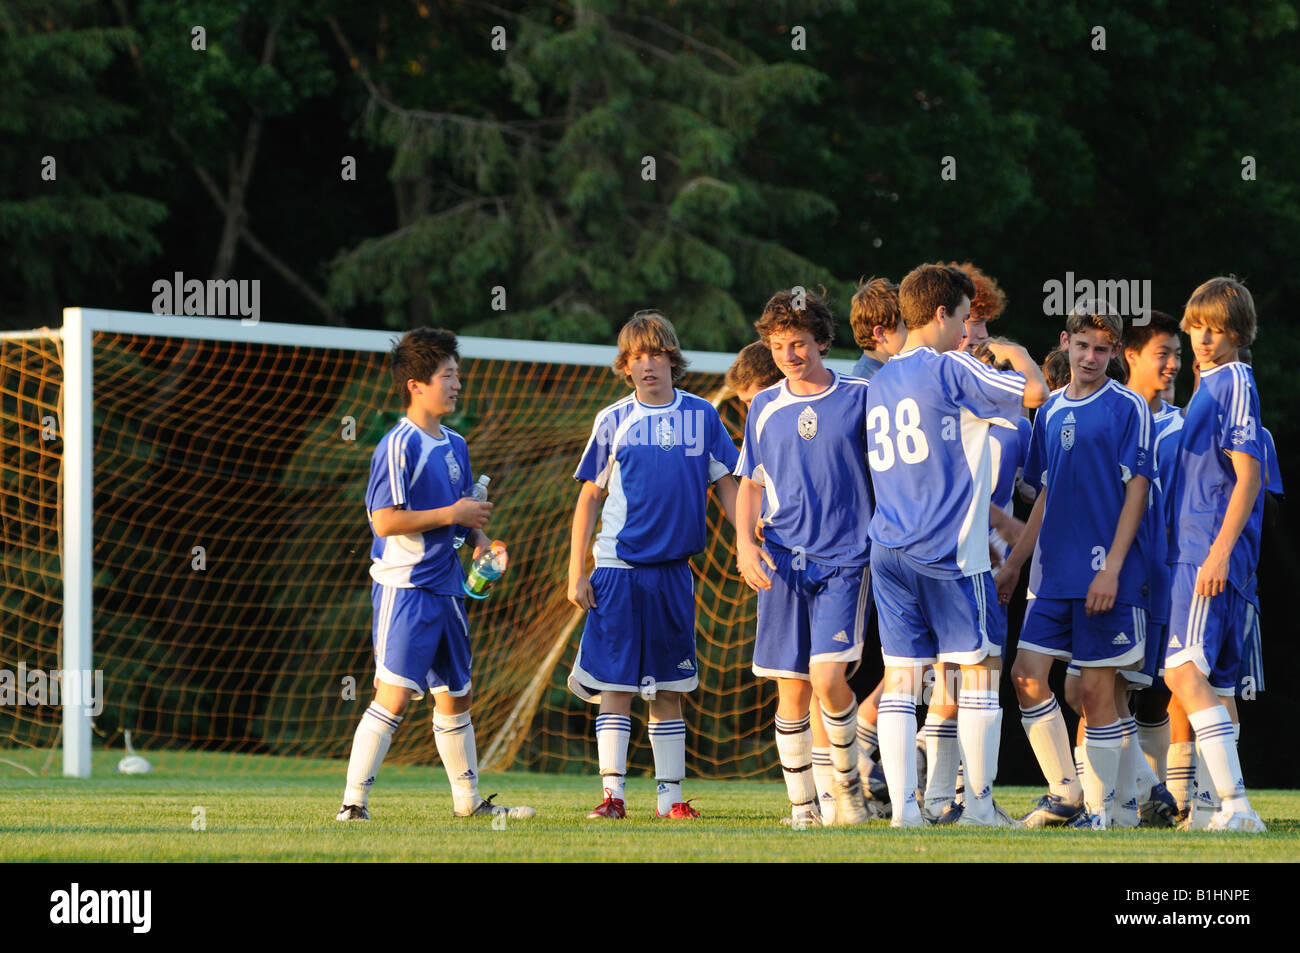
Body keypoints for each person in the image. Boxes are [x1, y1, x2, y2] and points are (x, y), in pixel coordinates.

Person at [867, 263, 1048, 828]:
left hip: (888, 546)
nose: (969, 329)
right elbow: (1036, 393)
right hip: (946, 549)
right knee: (979, 670)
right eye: (966, 317)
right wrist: (1015, 352)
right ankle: (979, 807)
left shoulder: (881, 378)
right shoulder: (950, 369)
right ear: (942, 315)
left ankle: (904, 812)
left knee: (902, 680)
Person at [338, 327, 535, 822]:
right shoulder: (397, 446)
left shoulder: (456, 444)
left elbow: (464, 513)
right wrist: (454, 514)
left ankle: (468, 803)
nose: (457, 385)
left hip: (448, 586)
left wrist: (483, 544)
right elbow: (384, 520)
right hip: (405, 588)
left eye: (457, 375)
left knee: (457, 692)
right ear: (416, 385)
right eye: (448, 376)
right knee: (396, 694)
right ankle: (352, 805)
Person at [567, 311, 739, 820]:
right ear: (625, 366)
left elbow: (727, 484)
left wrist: (749, 541)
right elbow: (588, 499)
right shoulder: (612, 420)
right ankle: (613, 797)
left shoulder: (703, 415)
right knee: (616, 687)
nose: (649, 365)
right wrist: (577, 570)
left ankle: (671, 800)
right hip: (616, 569)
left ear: (672, 359)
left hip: (673, 573)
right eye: (638, 357)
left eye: (657, 354)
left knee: (668, 687)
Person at [999, 302, 1154, 829]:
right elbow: (1045, 495)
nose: (1090, 357)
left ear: (1114, 354)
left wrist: (1111, 568)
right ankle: (1066, 792)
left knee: (1093, 691)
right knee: (1025, 676)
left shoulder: (1129, 407)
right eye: (1082, 345)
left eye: (1102, 349)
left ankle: (1108, 813)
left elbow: (1137, 491)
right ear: (1066, 343)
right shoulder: (1049, 412)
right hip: (1052, 576)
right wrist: (1016, 564)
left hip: (1107, 575)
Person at [734, 287, 874, 827]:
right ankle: (804, 811)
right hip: (782, 563)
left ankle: (848, 791)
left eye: (799, 343)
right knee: (790, 689)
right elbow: (750, 483)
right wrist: (746, 544)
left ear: (821, 341)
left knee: (828, 679)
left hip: (846, 559)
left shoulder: (861, 396)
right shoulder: (765, 406)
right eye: (778, 347)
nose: (790, 355)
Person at [1163, 278, 1267, 832]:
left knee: (1180, 670)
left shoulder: (1233, 381)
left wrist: (1219, 552)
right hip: (1202, 548)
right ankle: (1210, 808)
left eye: (1217, 330)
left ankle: (1237, 805)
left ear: (1237, 333)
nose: (1203, 339)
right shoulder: (1214, 382)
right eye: (1197, 327)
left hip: (1207, 550)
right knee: (1218, 687)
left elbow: (1248, 475)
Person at [1119, 310, 1184, 825]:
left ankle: (1156, 802)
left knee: (1156, 693)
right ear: (1132, 355)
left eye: (1177, 355)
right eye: (1164, 353)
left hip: (1164, 577)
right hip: (1111, 574)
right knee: (1100, 684)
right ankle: (1108, 797)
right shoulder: (1109, 413)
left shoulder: (1182, 425)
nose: (1174, 364)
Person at [849, 277, 906, 380]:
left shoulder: (886, 370)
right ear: (880, 333)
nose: (912, 333)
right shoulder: (865, 384)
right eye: (905, 326)